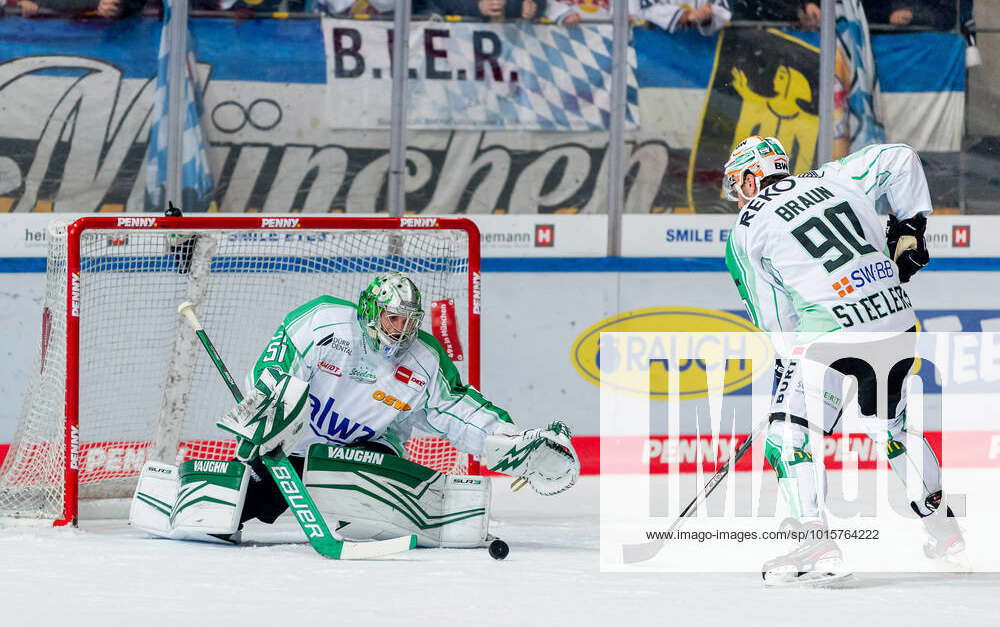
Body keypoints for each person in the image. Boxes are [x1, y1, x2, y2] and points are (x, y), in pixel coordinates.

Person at [129, 271, 579, 549]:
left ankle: (397, 512)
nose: (401, 331)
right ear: (371, 312)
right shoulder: (323, 321)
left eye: (409, 321)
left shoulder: (424, 358)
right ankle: (186, 498)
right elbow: (273, 368)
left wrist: (510, 442)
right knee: (220, 521)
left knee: (369, 517)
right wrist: (265, 412)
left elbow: (456, 409)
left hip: (364, 455)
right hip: (291, 448)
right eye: (392, 319)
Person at [722, 136, 964, 586]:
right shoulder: (833, 177)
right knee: (889, 427)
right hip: (896, 320)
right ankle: (943, 527)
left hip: (832, 336)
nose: (738, 194)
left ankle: (813, 541)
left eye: (738, 183)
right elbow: (900, 157)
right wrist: (910, 225)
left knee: (788, 432)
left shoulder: (745, 228)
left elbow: (776, 318)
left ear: (753, 177)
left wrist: (786, 366)